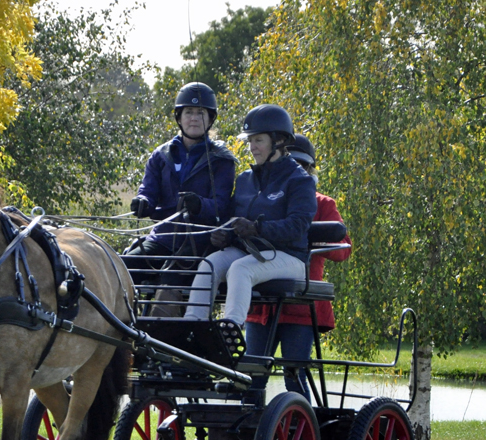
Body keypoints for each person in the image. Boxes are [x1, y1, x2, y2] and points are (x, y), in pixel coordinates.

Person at [184, 105, 316, 328]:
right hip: (249, 251)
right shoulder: (245, 179)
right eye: (250, 141)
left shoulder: (299, 180)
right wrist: (225, 235)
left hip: (290, 256)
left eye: (259, 141)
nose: (252, 148)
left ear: (279, 141)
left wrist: (257, 228)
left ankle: (230, 328)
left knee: (241, 268)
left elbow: (298, 226)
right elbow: (233, 217)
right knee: (211, 262)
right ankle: (192, 326)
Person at [244, 133, 352, 400]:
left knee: (294, 377)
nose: (296, 171)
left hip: (299, 307)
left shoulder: (323, 204)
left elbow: (343, 251)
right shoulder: (264, 197)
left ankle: (300, 434)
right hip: (261, 306)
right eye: (292, 164)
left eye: (303, 167)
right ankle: (247, 436)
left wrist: (307, 235)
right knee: (251, 376)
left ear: (311, 170)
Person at [123, 82, 238, 316]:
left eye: (200, 113)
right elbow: (148, 191)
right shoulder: (161, 155)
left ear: (210, 119)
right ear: (179, 117)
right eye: (188, 112)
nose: (194, 118)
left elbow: (222, 205)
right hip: (162, 239)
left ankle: (158, 341)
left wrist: (199, 205)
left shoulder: (221, 160)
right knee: (121, 267)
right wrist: (143, 202)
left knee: (170, 283)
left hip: (197, 244)